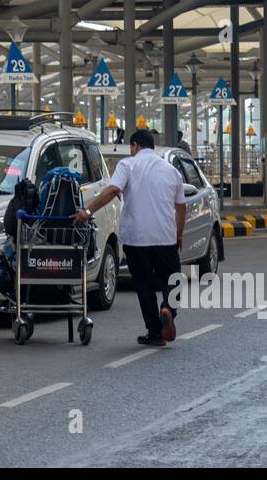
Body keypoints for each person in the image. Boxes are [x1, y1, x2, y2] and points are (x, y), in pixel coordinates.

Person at [73, 129, 184, 347]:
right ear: (152, 146)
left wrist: (87, 212)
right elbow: (181, 206)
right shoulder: (171, 171)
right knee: (173, 280)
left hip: (136, 238)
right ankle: (168, 310)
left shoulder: (127, 165)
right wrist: (179, 233)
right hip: (165, 236)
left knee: (143, 285)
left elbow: (113, 189)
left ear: (134, 146)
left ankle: (155, 333)